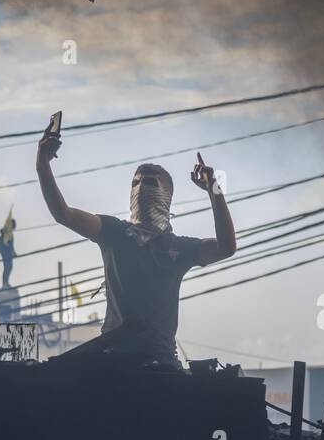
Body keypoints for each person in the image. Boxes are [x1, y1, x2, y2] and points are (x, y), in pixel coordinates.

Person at [35, 120, 236, 366]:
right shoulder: (114, 233)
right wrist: (42, 163)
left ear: (167, 196)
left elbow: (226, 248)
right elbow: (63, 214)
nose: (141, 188)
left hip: (159, 363)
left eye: (150, 183)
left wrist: (213, 189)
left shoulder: (178, 248)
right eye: (135, 183)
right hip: (112, 359)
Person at [0, 217, 16, 288]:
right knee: (7, 267)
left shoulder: (9, 233)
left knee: (9, 267)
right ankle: (5, 283)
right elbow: (7, 244)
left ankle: (6, 282)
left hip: (7, 252)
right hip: (5, 252)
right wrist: (11, 252)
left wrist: (13, 252)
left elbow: (11, 245)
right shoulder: (6, 233)